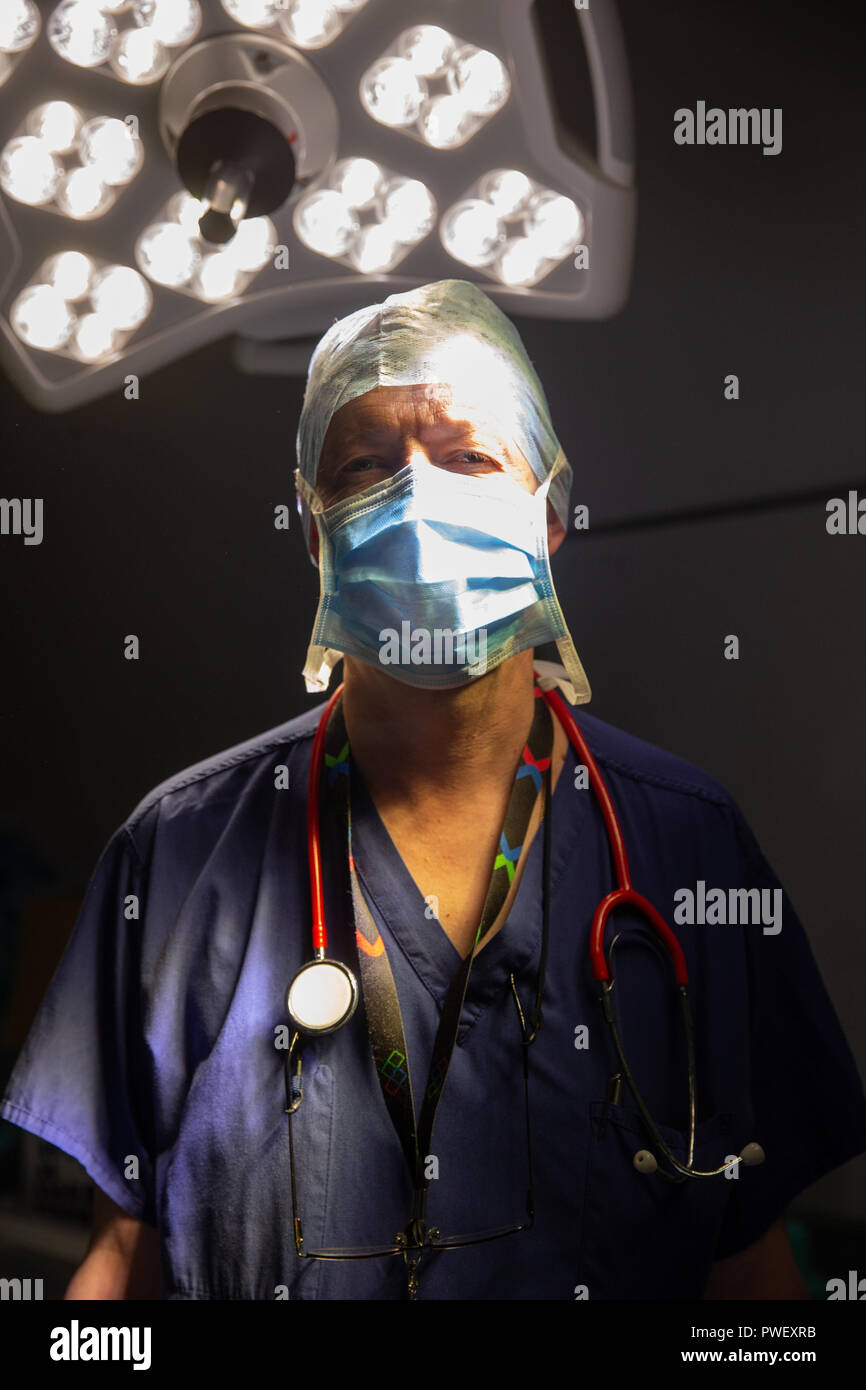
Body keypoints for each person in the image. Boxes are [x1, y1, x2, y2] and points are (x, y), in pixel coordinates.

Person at [2, 279, 865, 1301]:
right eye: (365, 466)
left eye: (466, 456)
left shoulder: (686, 846)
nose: (416, 497)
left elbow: (747, 1268)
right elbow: (119, 1267)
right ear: (316, 530)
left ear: (546, 514)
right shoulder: (178, 853)